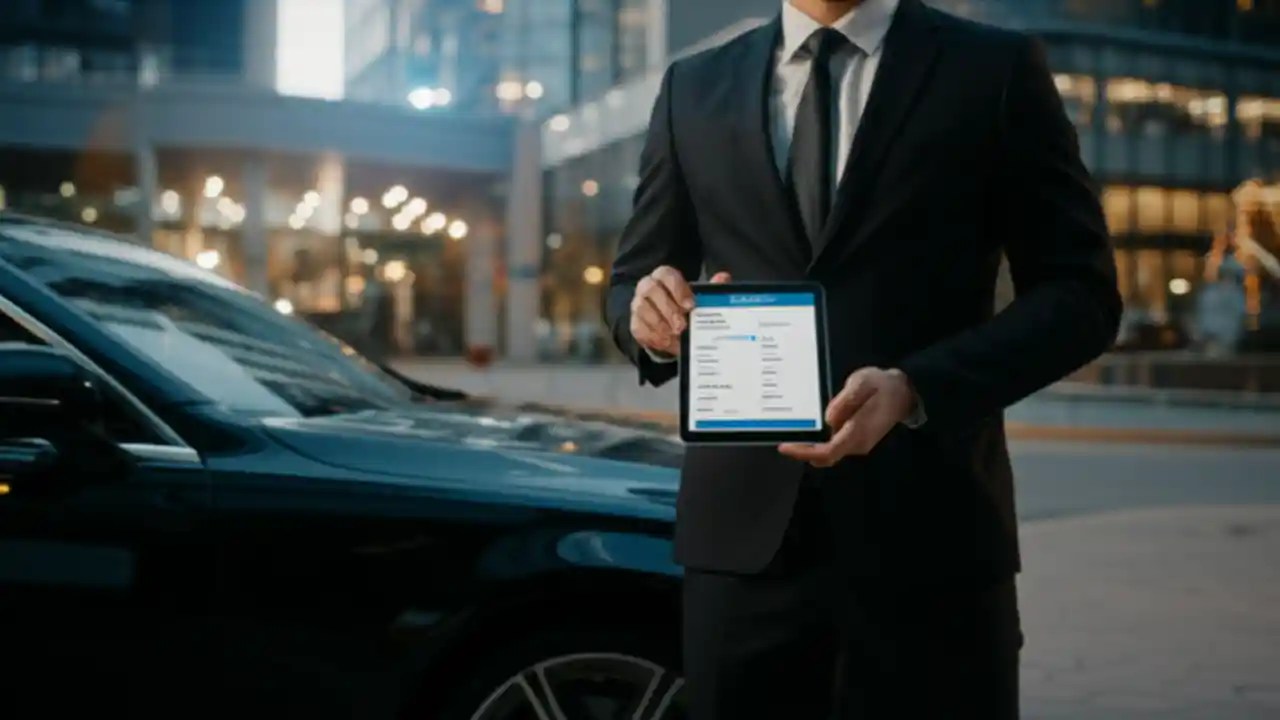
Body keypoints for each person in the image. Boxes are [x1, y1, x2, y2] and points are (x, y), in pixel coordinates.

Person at [603, 0, 1122, 717]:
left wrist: (918, 389)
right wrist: (645, 315)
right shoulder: (694, 85)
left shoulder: (993, 69)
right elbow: (635, 275)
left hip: (932, 545)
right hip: (743, 549)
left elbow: (1081, 297)